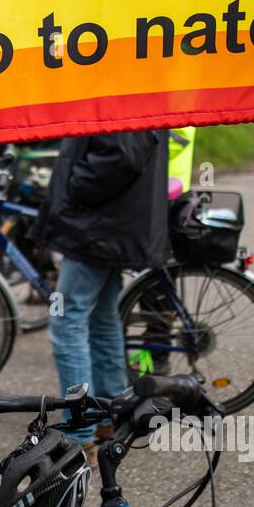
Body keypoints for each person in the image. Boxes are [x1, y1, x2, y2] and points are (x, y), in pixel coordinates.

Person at [28, 131, 169, 463]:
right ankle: (109, 418)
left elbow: (124, 154)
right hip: (114, 224)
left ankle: (79, 435)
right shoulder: (135, 82)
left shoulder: (120, 85)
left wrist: (76, 183)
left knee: (67, 324)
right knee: (102, 321)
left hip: (97, 227)